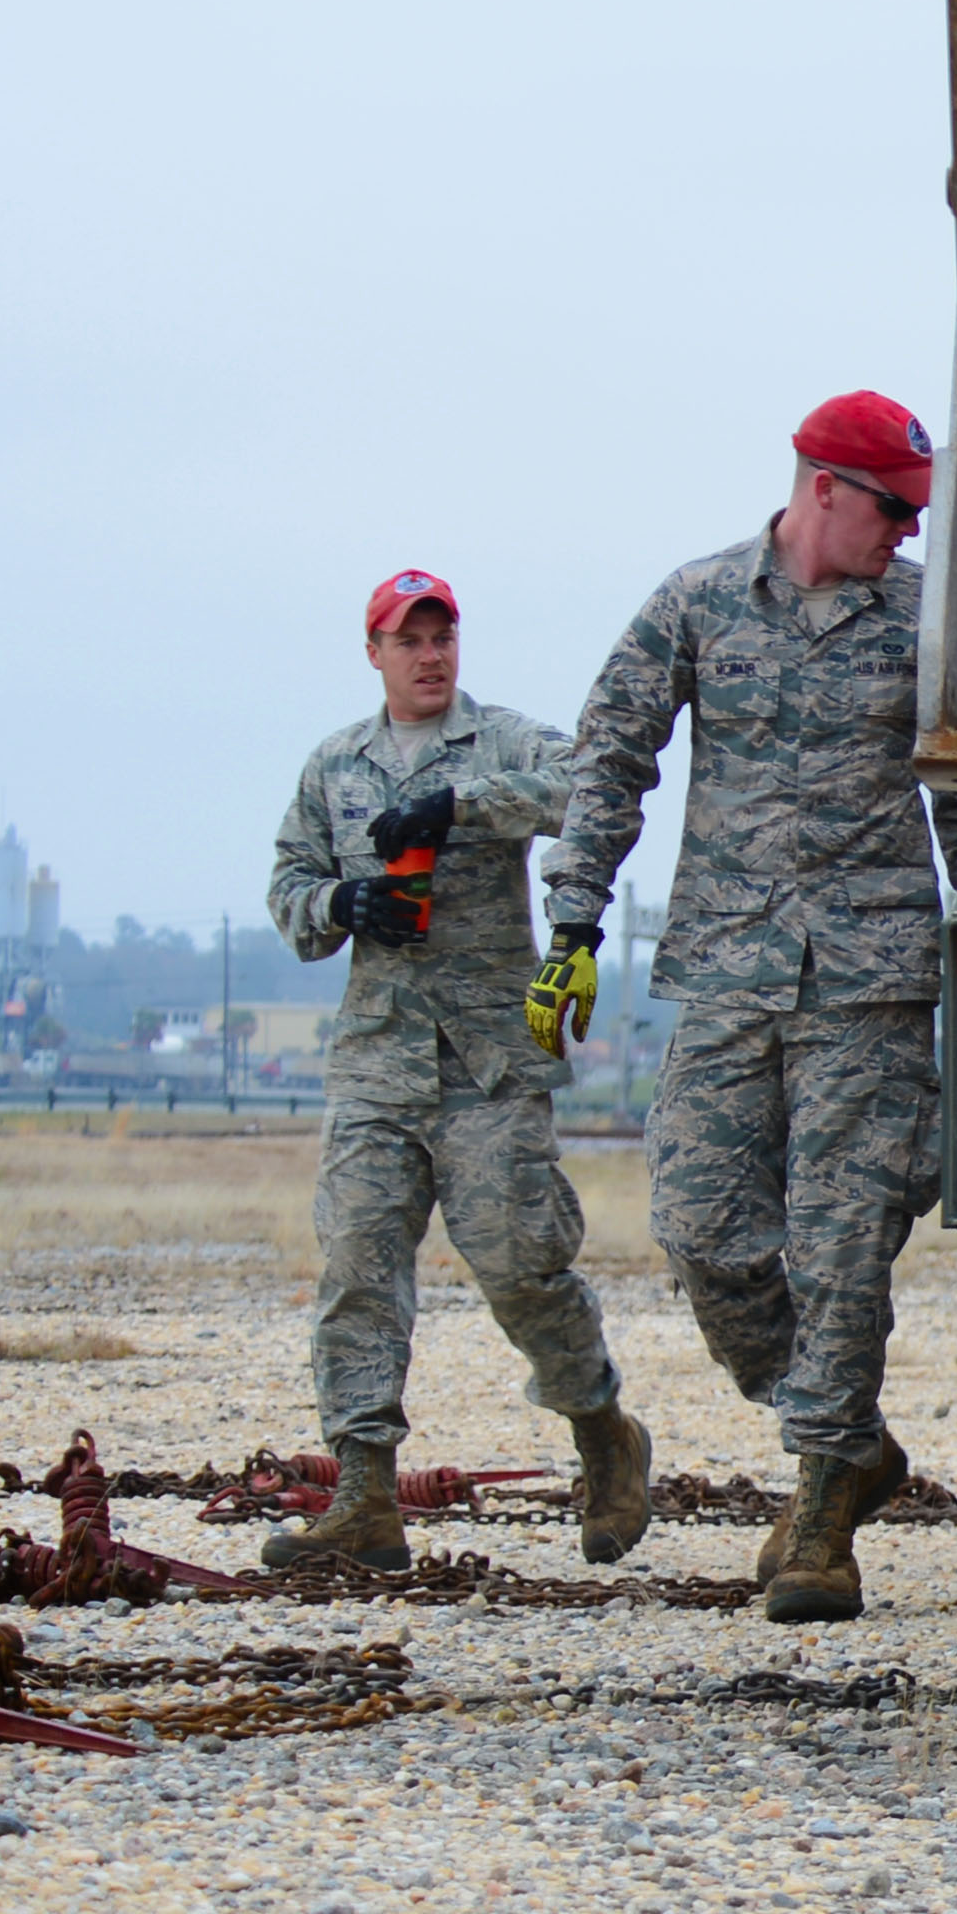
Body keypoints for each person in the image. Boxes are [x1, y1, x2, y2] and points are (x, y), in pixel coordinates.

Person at [538, 394, 957, 1623]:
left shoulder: (923, 621)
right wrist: (574, 923)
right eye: (891, 507)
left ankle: (816, 1522)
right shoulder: (697, 602)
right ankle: (848, 1440)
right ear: (819, 489)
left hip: (871, 982)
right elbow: (611, 752)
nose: (907, 532)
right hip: (727, 975)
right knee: (701, 1228)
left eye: (919, 511)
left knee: (845, 1247)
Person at [262, 569, 651, 1572]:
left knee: (522, 1263)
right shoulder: (334, 765)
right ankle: (363, 1497)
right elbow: (288, 887)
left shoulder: (501, 740)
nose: (431, 655)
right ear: (375, 653)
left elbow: (586, 786)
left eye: (443, 637)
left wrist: (461, 805)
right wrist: (344, 906)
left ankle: (604, 1434)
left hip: (487, 1063)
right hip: (376, 1064)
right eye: (410, 640)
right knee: (357, 1267)